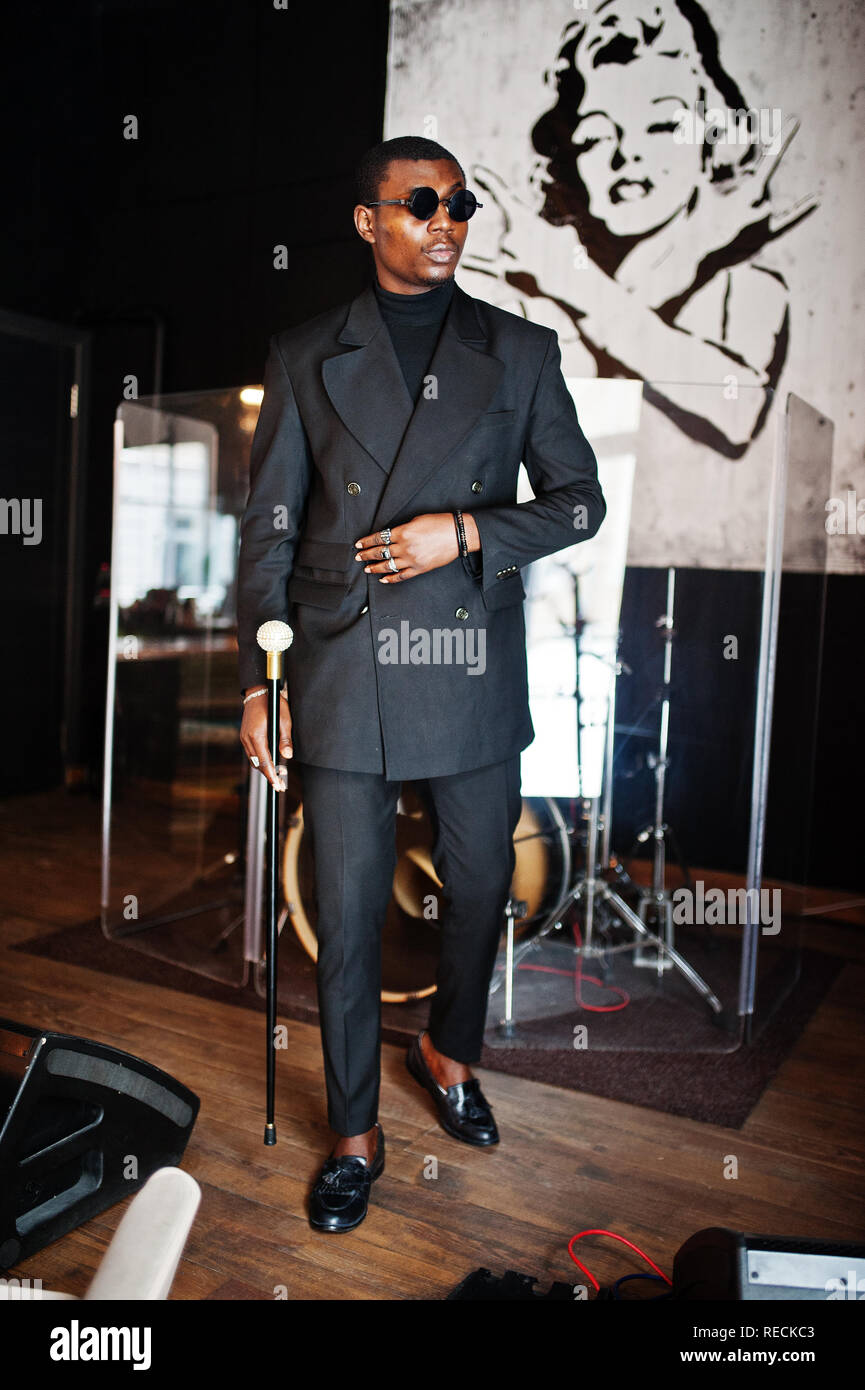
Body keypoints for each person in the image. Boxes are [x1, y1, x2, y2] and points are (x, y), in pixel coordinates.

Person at [236, 134, 606, 1232]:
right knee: (346, 919)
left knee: (481, 886)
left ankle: (448, 1047)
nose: (446, 221)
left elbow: (579, 502)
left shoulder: (521, 350)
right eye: (421, 203)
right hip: (341, 661)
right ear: (369, 221)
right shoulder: (307, 352)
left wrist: (466, 532)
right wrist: (262, 677)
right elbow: (267, 529)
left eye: (460, 204)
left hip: (468, 663)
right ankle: (354, 1129)